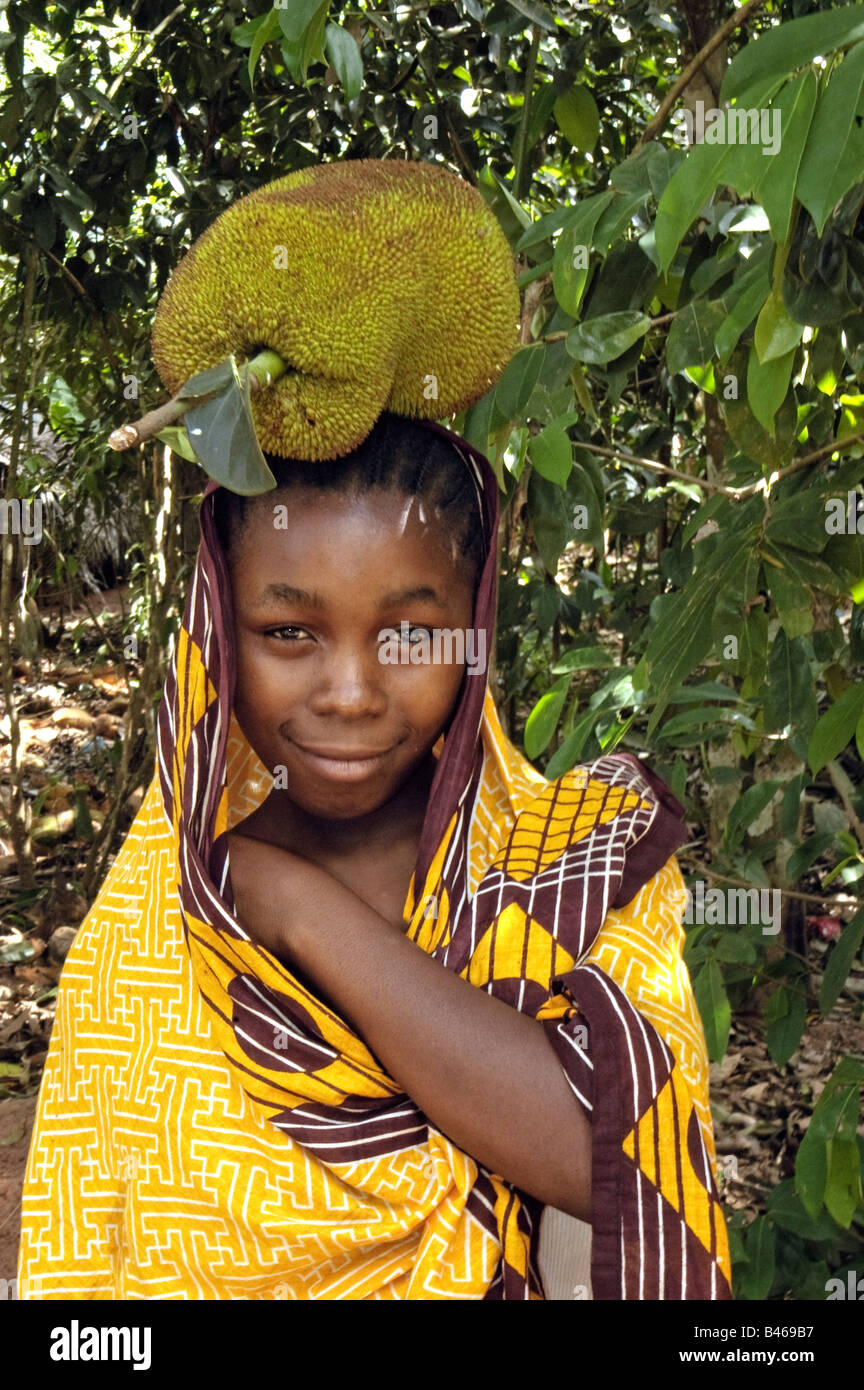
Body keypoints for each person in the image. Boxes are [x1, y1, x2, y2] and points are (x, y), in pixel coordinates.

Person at [17, 410, 731, 1299]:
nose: (350, 694)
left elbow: (620, 1158)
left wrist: (299, 908)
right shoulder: (151, 924)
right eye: (288, 633)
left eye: (410, 637)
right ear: (215, 638)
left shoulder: (574, 856)